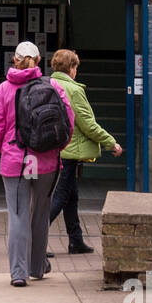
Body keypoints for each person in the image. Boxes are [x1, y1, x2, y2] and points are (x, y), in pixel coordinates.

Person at [0, 41, 74, 287]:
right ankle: (37, 267)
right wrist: (58, 148)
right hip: (46, 161)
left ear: (15, 60)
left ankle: (18, 273)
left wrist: (5, 149)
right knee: (41, 213)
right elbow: (68, 120)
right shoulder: (53, 86)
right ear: (38, 62)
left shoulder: (4, 89)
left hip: (15, 161)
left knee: (18, 215)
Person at [47, 49, 123, 256]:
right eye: (76, 67)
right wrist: (111, 142)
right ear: (71, 68)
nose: (76, 72)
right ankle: (36, 239)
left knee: (71, 197)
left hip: (55, 147)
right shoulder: (73, 89)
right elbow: (87, 124)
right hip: (70, 150)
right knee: (61, 196)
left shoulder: (48, 84)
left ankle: (76, 240)